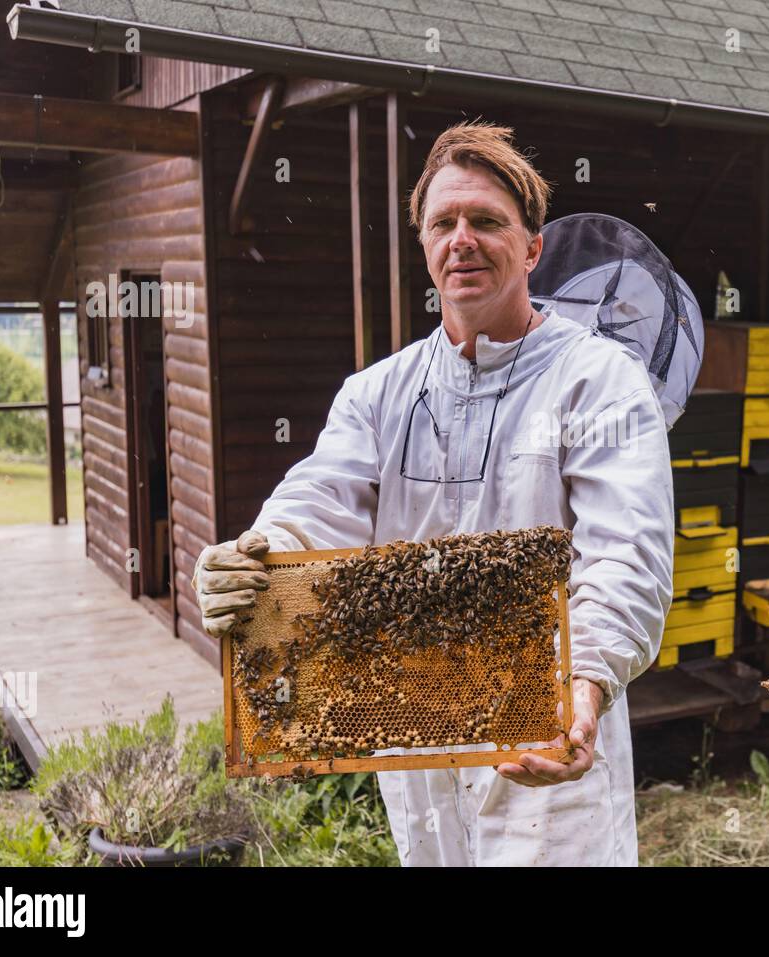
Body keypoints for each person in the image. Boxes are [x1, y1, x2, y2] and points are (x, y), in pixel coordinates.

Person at [192, 121, 674, 866]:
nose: (464, 239)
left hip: (551, 753)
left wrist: (586, 683)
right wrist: (259, 555)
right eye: (443, 222)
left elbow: (628, 555)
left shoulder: (601, 384)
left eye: (487, 221)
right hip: (418, 755)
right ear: (423, 244)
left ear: (532, 247)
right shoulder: (376, 395)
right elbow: (320, 501)